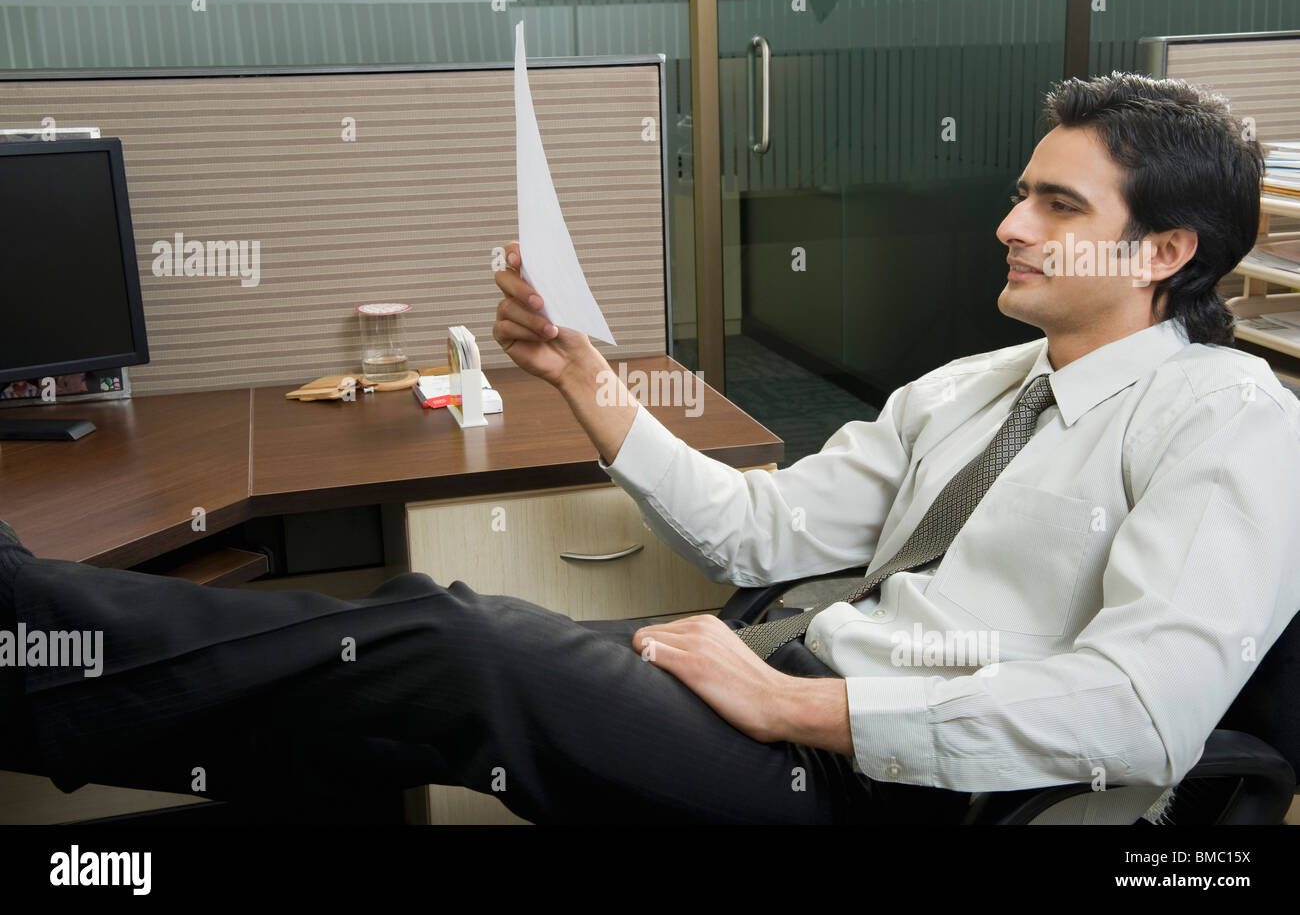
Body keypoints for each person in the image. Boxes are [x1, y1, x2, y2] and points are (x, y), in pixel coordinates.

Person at [2, 71, 1297, 824]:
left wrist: (808, 708)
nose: (1007, 223)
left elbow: (1141, 710)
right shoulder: (981, 383)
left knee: (459, 650)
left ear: (1165, 251)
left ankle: (29, 649)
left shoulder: (1236, 424)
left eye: (1055, 204)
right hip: (791, 696)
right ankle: (48, 678)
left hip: (889, 788)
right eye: (1019, 189)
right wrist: (581, 379)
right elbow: (761, 529)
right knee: (427, 646)